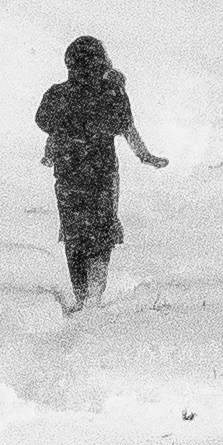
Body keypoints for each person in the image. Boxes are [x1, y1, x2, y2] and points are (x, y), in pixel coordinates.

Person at [35, 33, 165, 308]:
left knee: (73, 234)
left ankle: (82, 295)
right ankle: (94, 294)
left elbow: (45, 123)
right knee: (101, 232)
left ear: (69, 64)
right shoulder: (112, 92)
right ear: (101, 62)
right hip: (102, 174)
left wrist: (55, 147)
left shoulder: (57, 94)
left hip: (69, 174)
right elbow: (127, 128)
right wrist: (146, 156)